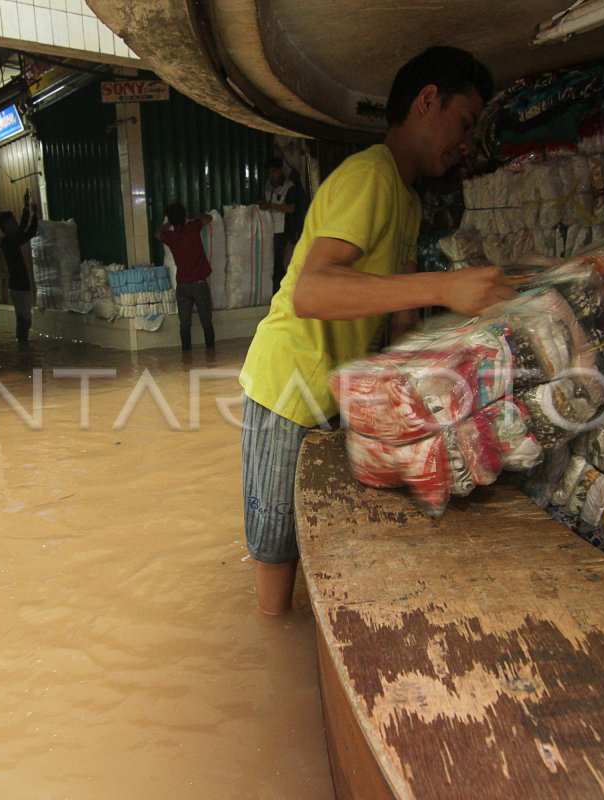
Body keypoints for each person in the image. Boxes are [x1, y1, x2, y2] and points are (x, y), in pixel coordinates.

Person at [239, 46, 515, 616]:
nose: (464, 143)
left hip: (334, 392)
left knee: (314, 531)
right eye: (463, 124)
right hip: (289, 387)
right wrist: (443, 288)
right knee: (276, 548)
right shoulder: (369, 176)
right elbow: (311, 292)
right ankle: (274, 652)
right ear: (426, 101)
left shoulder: (406, 198)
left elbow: (399, 317)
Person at [157, 202, 216, 355]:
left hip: (182, 285)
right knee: (206, 322)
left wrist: (168, 224)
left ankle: (186, 357)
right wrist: (192, 216)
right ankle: (211, 355)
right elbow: (208, 218)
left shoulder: (171, 236)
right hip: (199, 284)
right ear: (184, 217)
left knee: (184, 324)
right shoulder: (193, 228)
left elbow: (156, 233)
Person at [0, 188, 40, 346]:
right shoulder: (7, 242)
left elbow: (29, 232)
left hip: (21, 286)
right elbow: (23, 229)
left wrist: (32, 214)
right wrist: (27, 208)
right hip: (18, 287)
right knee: (24, 318)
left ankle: (23, 346)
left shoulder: (11, 240)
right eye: (11, 221)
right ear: (5, 226)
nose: (14, 223)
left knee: (24, 318)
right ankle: (22, 345)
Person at [259, 157, 301, 293]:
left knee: (278, 262)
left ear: (280, 170)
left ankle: (283, 291)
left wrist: (271, 205)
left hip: (282, 230)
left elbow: (291, 208)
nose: (271, 175)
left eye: (274, 172)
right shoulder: (268, 186)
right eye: (269, 173)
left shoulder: (289, 187)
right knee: (270, 261)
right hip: (269, 229)